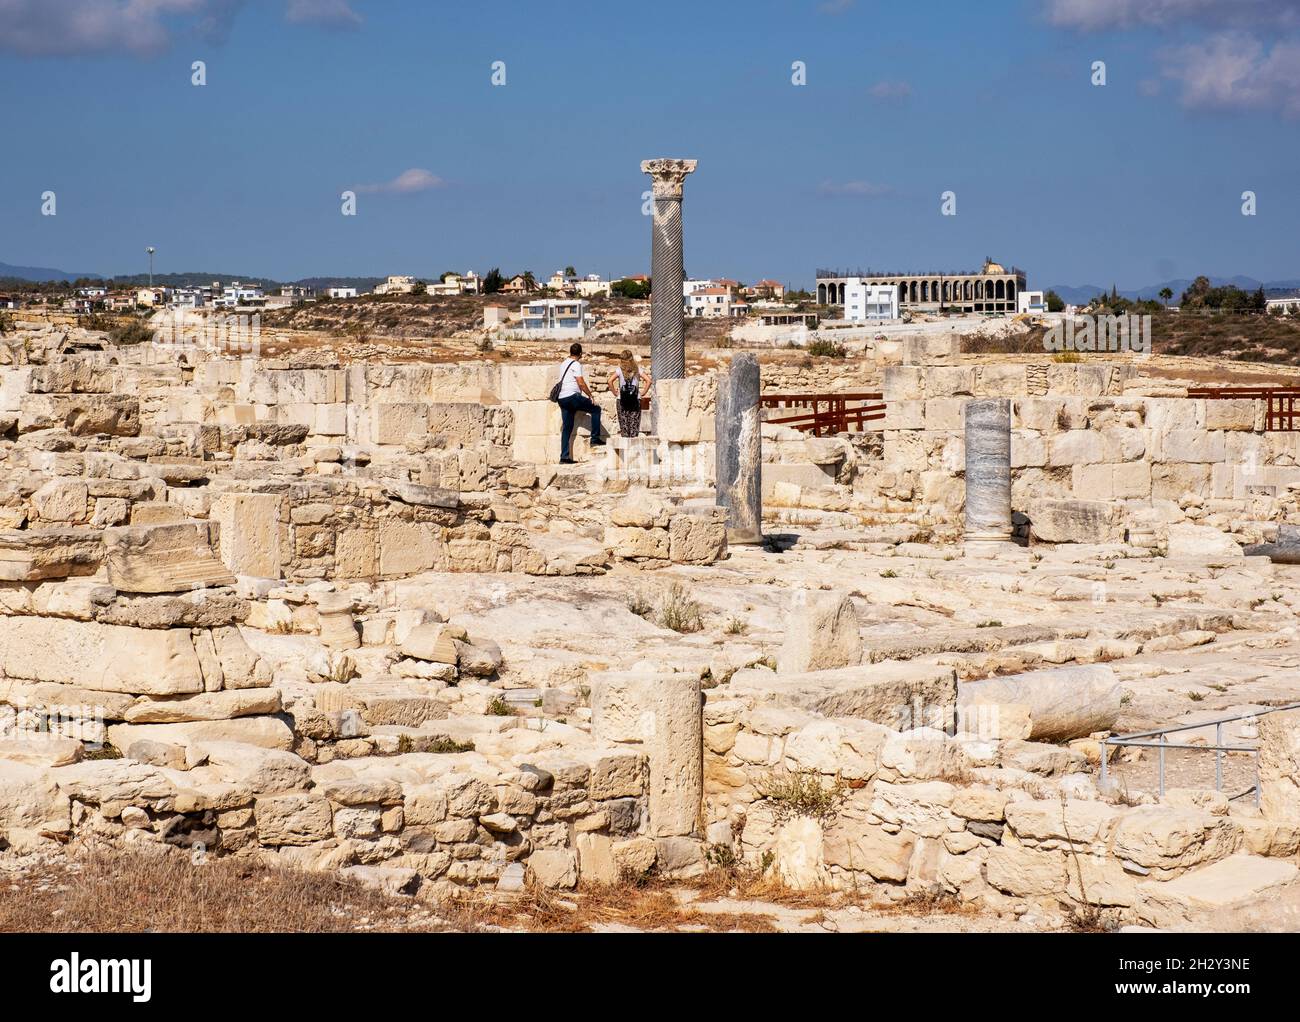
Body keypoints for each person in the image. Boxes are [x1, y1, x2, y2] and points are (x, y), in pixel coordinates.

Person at [555, 342, 605, 464]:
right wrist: (590, 395)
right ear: (580, 354)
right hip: (572, 397)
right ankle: (595, 438)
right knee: (595, 409)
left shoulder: (564, 364)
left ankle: (564, 457)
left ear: (570, 352)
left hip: (562, 398)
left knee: (567, 427)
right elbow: (581, 382)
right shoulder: (576, 364)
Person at [607, 349, 651, 438]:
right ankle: (633, 450)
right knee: (634, 429)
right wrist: (642, 393)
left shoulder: (619, 370)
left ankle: (625, 451)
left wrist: (615, 393)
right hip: (635, 399)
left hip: (621, 400)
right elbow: (649, 381)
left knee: (624, 428)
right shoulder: (638, 369)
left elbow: (610, 381)